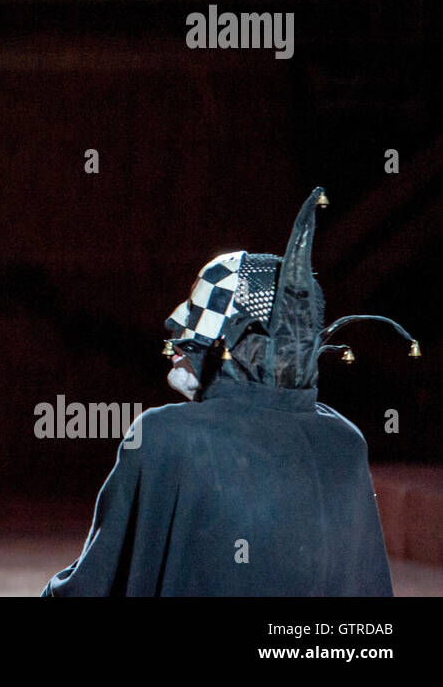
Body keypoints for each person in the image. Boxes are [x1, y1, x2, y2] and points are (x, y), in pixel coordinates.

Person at [42, 186, 420, 597]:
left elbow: (91, 587)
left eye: (199, 305)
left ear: (233, 337)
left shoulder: (165, 435)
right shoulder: (345, 441)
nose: (174, 323)